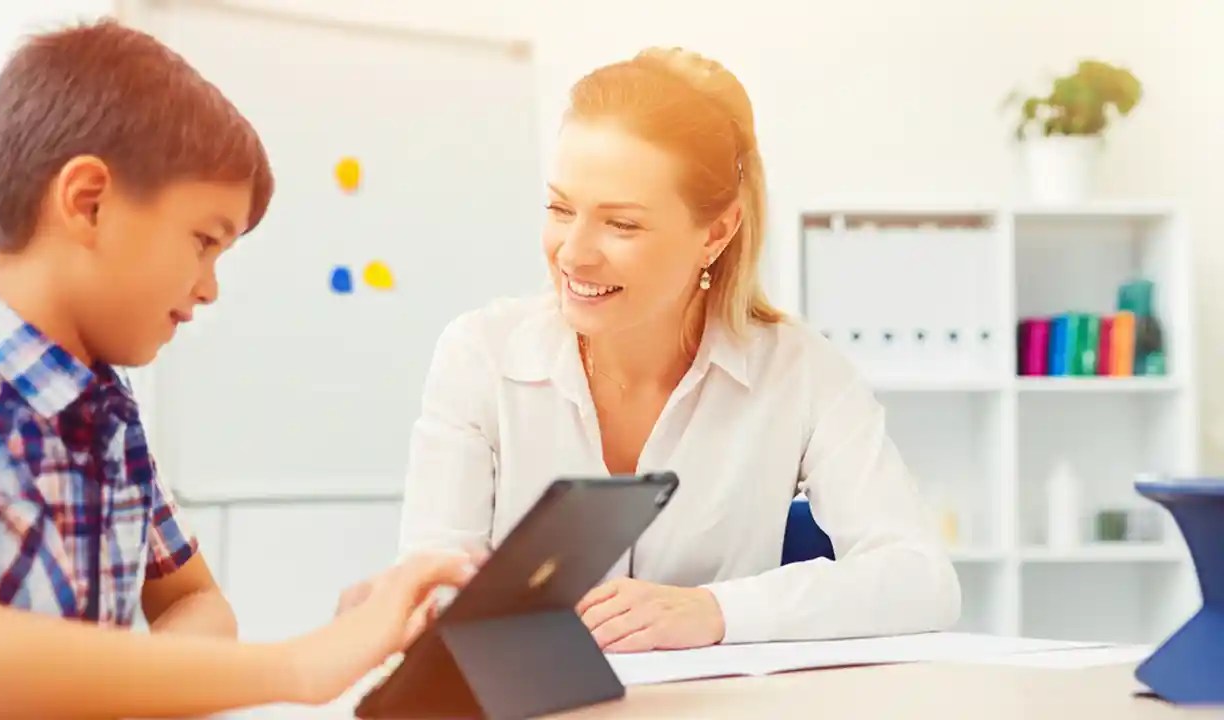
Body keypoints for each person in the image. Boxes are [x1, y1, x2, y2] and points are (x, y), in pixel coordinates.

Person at [0, 20, 472, 718]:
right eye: (203, 241)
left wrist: (129, 689)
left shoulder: (107, 408)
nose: (209, 287)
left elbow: (195, 599)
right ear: (88, 201)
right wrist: (296, 666)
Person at [391, 47, 960, 652]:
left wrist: (716, 612)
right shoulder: (480, 355)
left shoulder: (800, 372)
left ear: (716, 232)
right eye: (561, 209)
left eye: (622, 225)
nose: (573, 253)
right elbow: (429, 591)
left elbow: (922, 580)